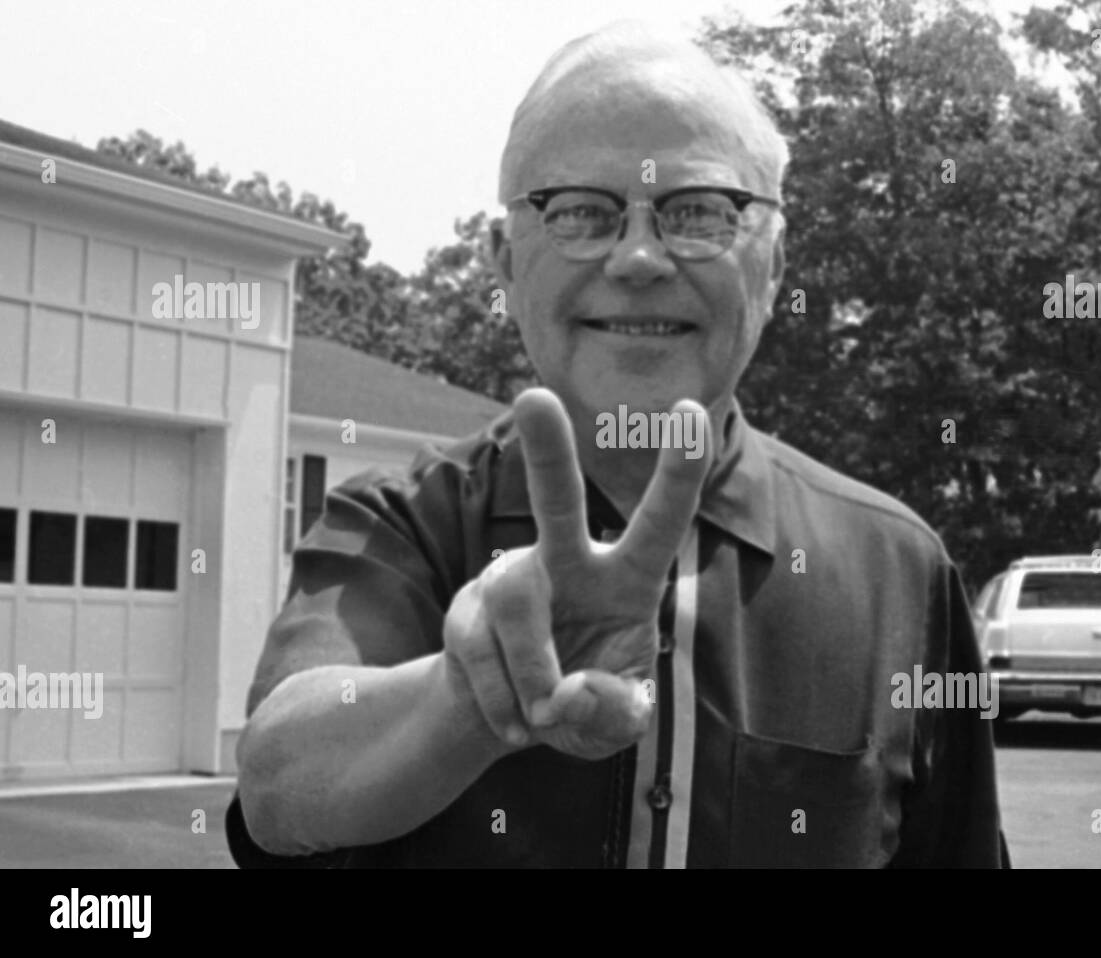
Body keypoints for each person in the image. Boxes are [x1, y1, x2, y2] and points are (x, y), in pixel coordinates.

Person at [226, 20, 1010, 868]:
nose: (638, 256)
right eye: (580, 214)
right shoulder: (400, 525)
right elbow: (276, 780)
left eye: (700, 212)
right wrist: (468, 697)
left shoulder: (900, 569)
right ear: (504, 262)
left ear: (776, 263)